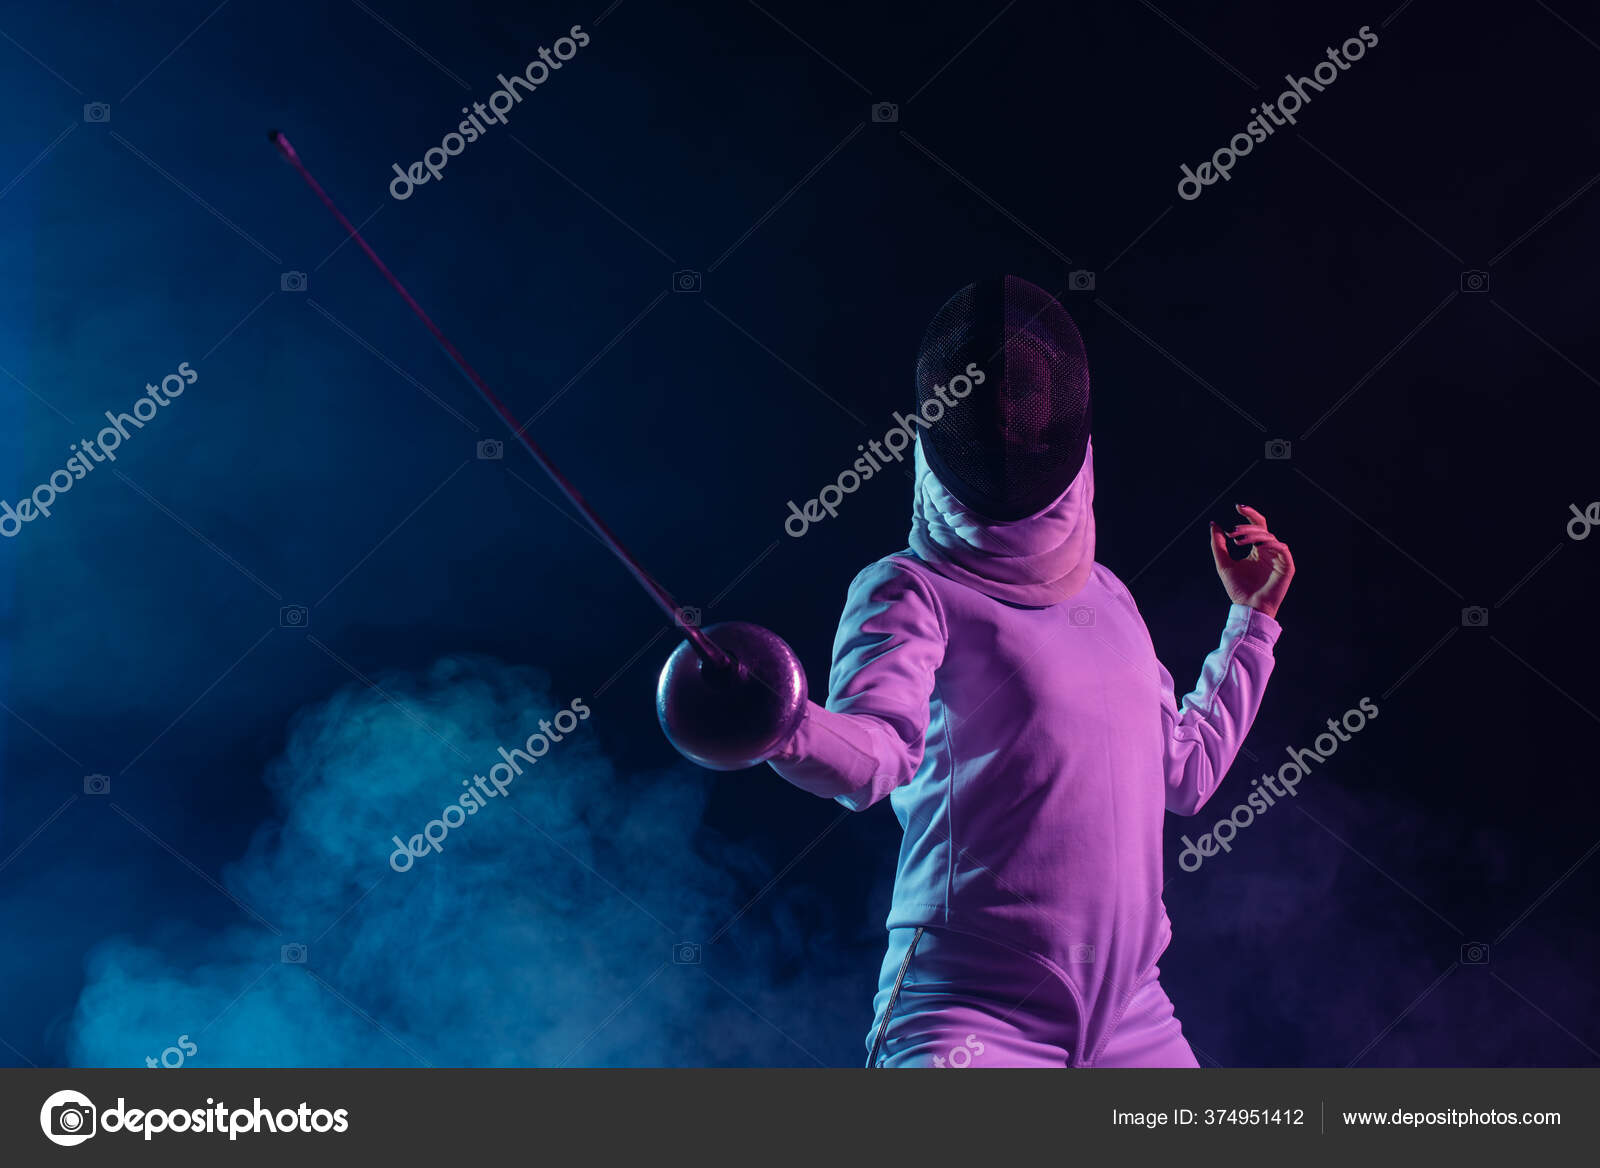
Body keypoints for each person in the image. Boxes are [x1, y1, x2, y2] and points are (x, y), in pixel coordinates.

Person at [766, 276, 1294, 1067]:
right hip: (968, 1016)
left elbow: (1183, 775)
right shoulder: (913, 587)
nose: (1011, 423)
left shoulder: (1108, 596)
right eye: (993, 406)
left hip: (1132, 1014)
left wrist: (1252, 625)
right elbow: (873, 758)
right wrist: (781, 723)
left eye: (1024, 400)